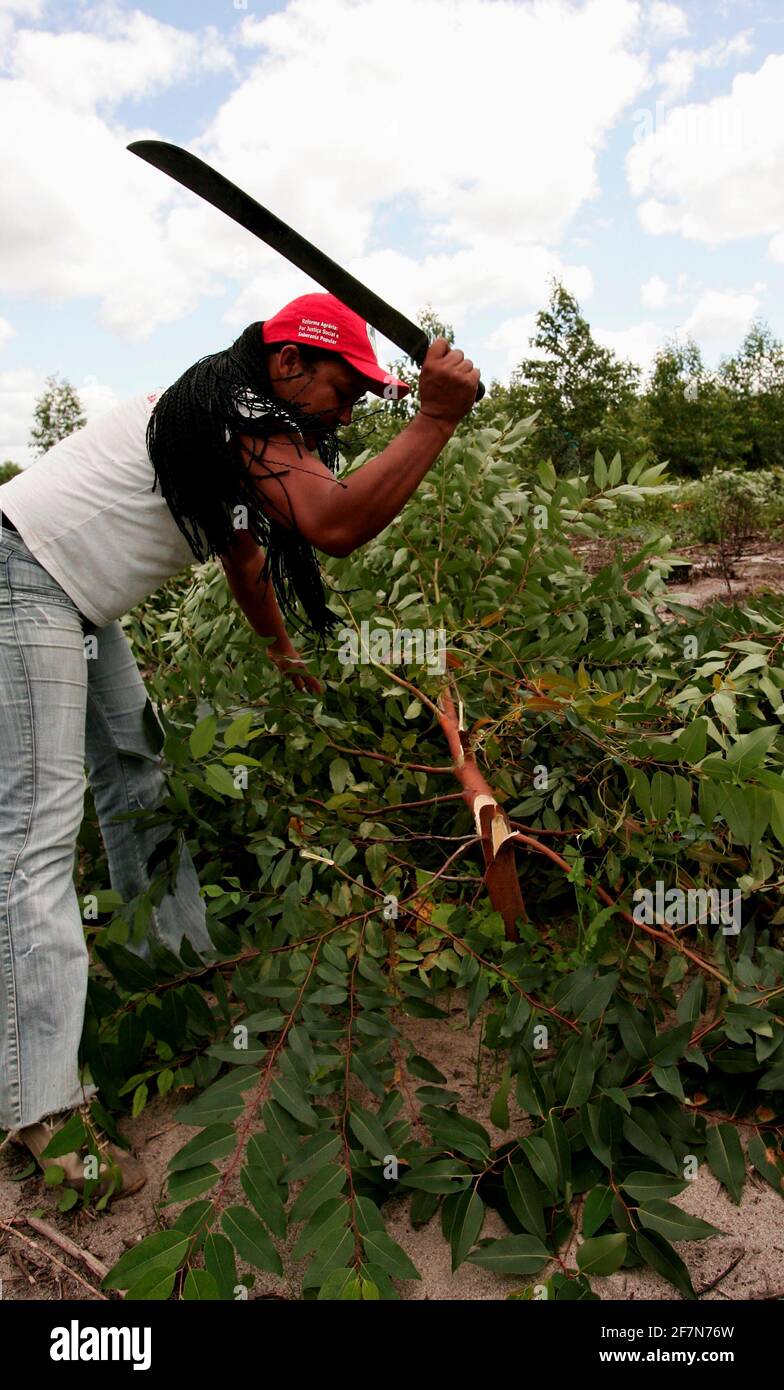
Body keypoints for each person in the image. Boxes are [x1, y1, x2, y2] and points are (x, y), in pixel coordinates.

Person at [0, 291, 479, 1198]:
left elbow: (247, 558)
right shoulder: (231, 411)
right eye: (345, 389)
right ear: (291, 363)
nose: (348, 411)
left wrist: (283, 653)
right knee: (31, 844)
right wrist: (435, 417)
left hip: (72, 601)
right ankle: (43, 1118)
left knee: (143, 788)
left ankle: (179, 985)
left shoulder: (229, 432)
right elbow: (333, 525)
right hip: (20, 582)